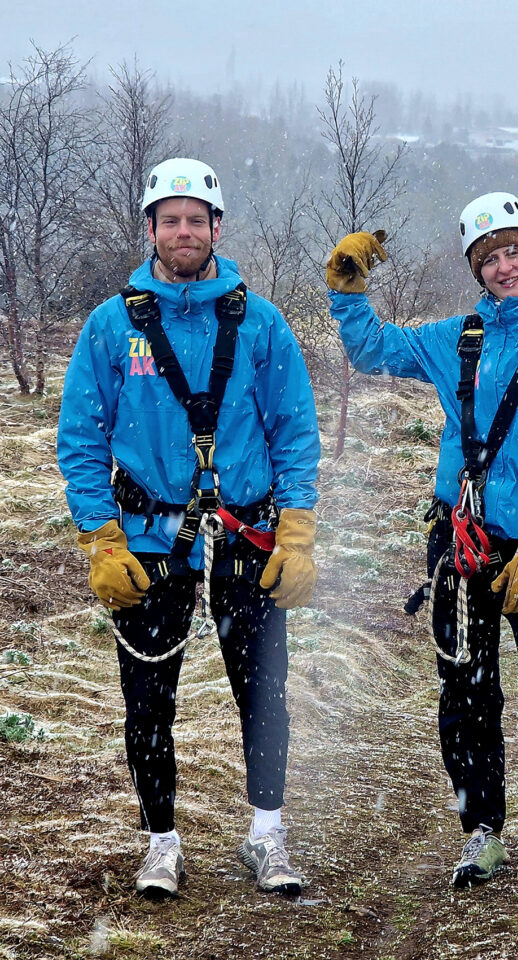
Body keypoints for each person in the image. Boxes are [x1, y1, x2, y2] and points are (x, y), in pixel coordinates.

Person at [324, 192, 518, 923]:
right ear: (477, 270)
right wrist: (347, 291)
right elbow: (372, 349)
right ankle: (482, 829)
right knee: (466, 695)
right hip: (458, 544)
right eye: (490, 258)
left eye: (516, 251)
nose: (506, 265)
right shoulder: (459, 337)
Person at [57, 157, 322, 899]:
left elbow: (296, 431)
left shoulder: (260, 322)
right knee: (147, 700)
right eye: (169, 219)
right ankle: (161, 841)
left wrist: (297, 530)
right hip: (146, 538)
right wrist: (101, 538)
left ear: (215, 230)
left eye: (195, 220)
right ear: (149, 229)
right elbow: (80, 439)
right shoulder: (113, 326)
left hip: (249, 534)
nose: (183, 231)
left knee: (263, 692)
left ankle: (267, 835)